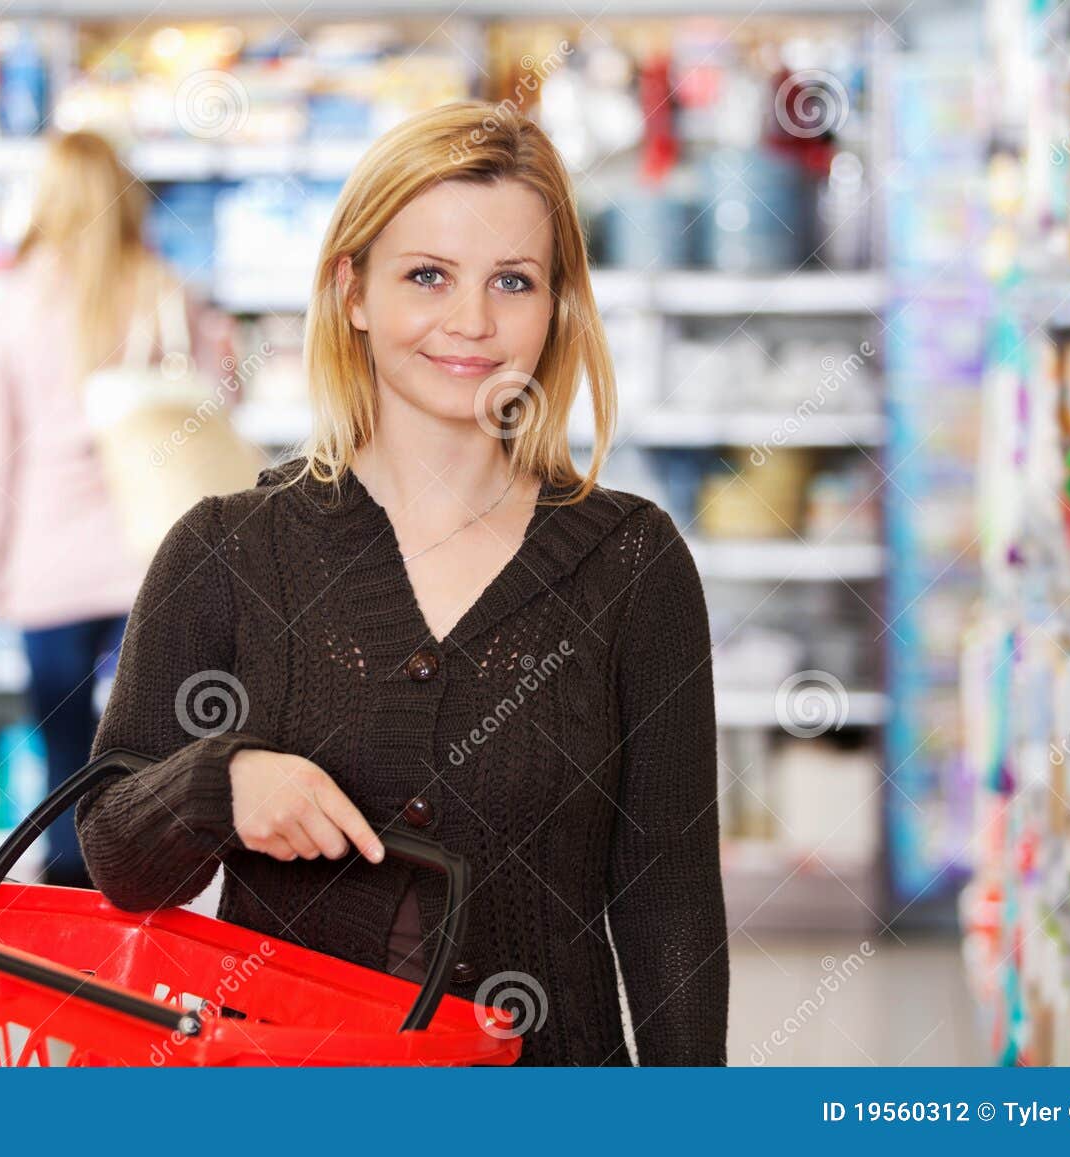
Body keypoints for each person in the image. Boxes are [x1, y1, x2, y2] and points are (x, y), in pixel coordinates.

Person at [72, 101, 729, 1065]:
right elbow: (115, 856)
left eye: (513, 280)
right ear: (353, 291)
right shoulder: (226, 552)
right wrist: (221, 783)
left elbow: (669, 900)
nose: (473, 322)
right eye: (428, 275)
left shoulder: (631, 562)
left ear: (556, 307)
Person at [0, 131, 237, 889]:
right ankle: (141, 889)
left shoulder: (12, 307)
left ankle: (65, 897)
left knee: (63, 755)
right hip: (150, 560)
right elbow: (220, 404)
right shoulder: (164, 289)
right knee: (144, 754)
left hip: (47, 566)